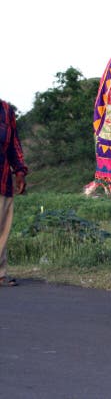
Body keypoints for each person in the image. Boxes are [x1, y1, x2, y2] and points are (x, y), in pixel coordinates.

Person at [0, 99, 27, 288]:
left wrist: (19, 171)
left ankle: (0, 274)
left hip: (2, 180)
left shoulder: (6, 110)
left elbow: (13, 144)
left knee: (2, 228)